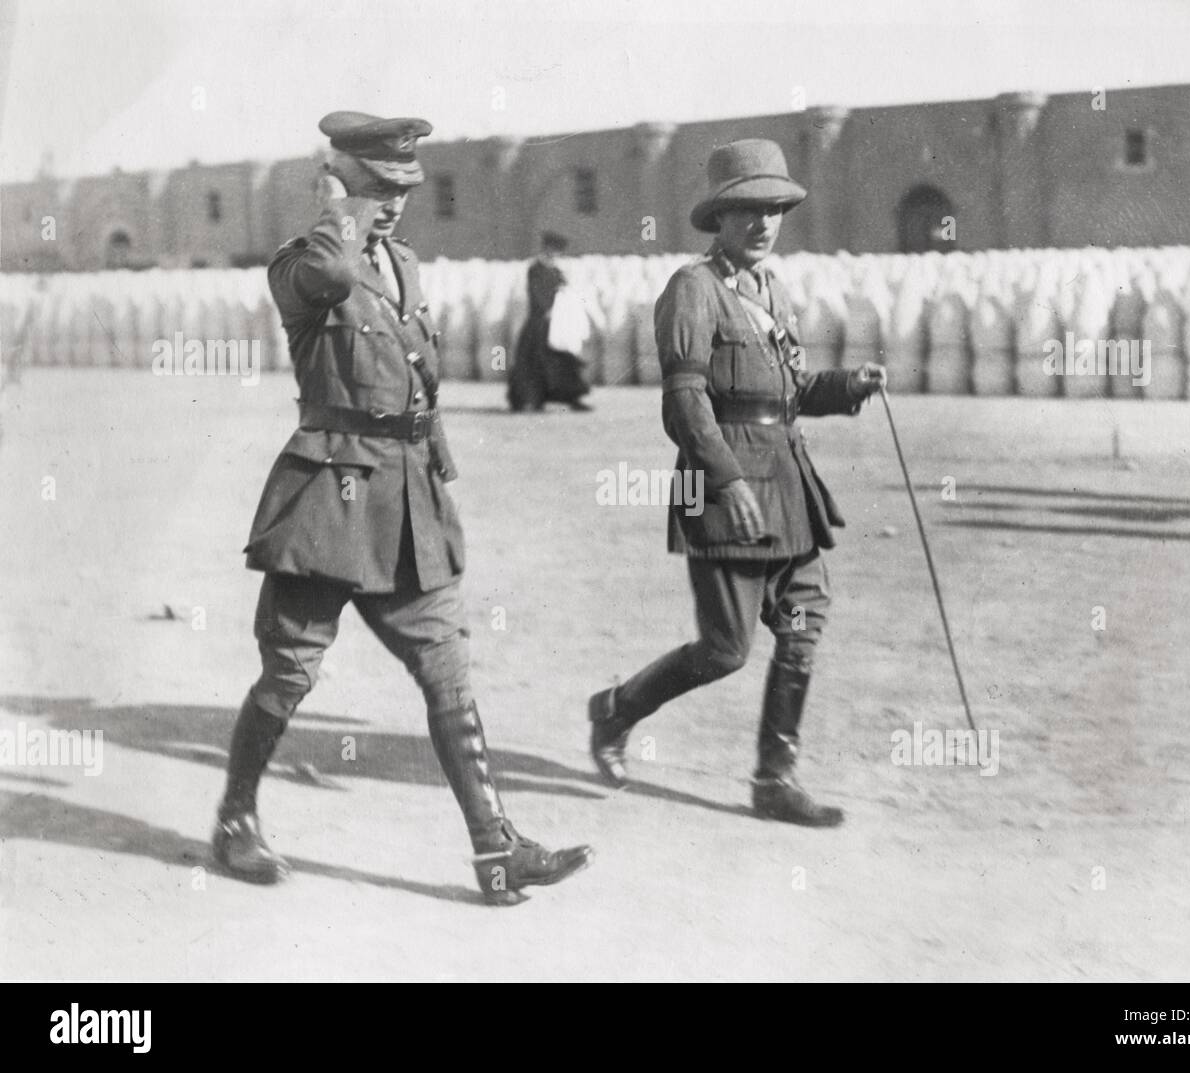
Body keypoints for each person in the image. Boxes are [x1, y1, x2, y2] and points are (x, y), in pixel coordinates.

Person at [213, 111, 592, 905]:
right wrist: (334, 213)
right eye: (374, 186)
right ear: (337, 181)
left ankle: (496, 847)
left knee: (448, 670)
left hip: (406, 499)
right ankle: (235, 817)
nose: (390, 203)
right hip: (329, 500)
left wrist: (439, 457)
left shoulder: (405, 266)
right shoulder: (304, 263)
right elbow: (329, 279)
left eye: (402, 189)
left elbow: (417, 374)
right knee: (289, 673)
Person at [586, 139, 887, 827]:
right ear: (719, 218)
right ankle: (614, 710)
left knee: (804, 623)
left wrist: (846, 387)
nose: (764, 224)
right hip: (721, 486)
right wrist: (726, 482)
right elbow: (685, 402)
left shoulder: (771, 290)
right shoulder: (693, 290)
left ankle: (773, 779)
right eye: (748, 210)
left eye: (775, 209)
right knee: (725, 650)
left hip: (786, 482)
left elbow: (788, 390)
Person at [506, 231, 593, 411]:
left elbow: (566, 289)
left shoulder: (556, 270)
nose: (555, 254)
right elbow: (536, 294)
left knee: (563, 361)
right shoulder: (535, 269)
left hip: (557, 326)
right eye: (553, 250)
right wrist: (547, 307)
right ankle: (530, 401)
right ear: (546, 249)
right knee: (533, 364)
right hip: (539, 324)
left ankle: (572, 399)